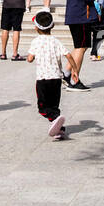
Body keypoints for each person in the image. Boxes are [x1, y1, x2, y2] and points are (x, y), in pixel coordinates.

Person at [26, 9, 67, 140]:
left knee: (42, 107)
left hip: (43, 79)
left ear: (36, 28)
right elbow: (68, 55)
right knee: (54, 105)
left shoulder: (36, 41)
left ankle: (55, 119)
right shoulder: (56, 41)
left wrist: (29, 58)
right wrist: (75, 70)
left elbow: (30, 58)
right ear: (52, 26)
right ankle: (59, 130)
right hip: (56, 78)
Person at [62, 0, 100, 90]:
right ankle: (74, 79)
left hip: (73, 14)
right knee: (81, 47)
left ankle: (66, 73)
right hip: (82, 15)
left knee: (79, 46)